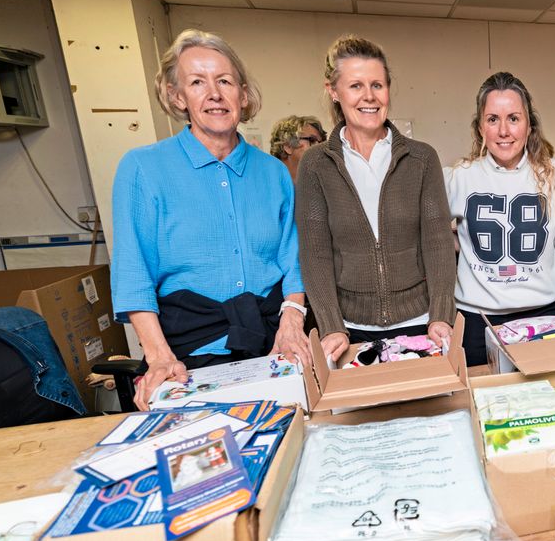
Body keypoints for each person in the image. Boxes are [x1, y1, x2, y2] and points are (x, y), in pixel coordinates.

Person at [112, 29, 310, 411]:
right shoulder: (142, 168)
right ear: (177, 96)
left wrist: (291, 323)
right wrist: (160, 358)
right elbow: (133, 275)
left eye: (224, 81)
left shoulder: (273, 172)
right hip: (189, 356)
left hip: (273, 346)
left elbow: (293, 260)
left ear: (243, 94)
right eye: (197, 82)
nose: (214, 94)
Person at [297, 35, 455, 361]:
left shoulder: (422, 159)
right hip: (349, 330)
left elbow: (438, 243)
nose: (369, 96)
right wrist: (330, 325)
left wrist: (441, 314)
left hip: (420, 325)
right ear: (334, 91)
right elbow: (315, 255)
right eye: (356, 86)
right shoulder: (315, 165)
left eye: (378, 85)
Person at [447, 72, 555, 365]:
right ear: (480, 128)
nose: (504, 130)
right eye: (493, 119)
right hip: (478, 323)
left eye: (513, 118)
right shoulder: (458, 177)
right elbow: (431, 234)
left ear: (529, 126)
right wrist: (459, 244)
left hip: (546, 317)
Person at [269, 115, 325, 181]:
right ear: (288, 146)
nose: (319, 147)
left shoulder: (320, 181)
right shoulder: (268, 181)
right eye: (312, 140)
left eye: (321, 142)